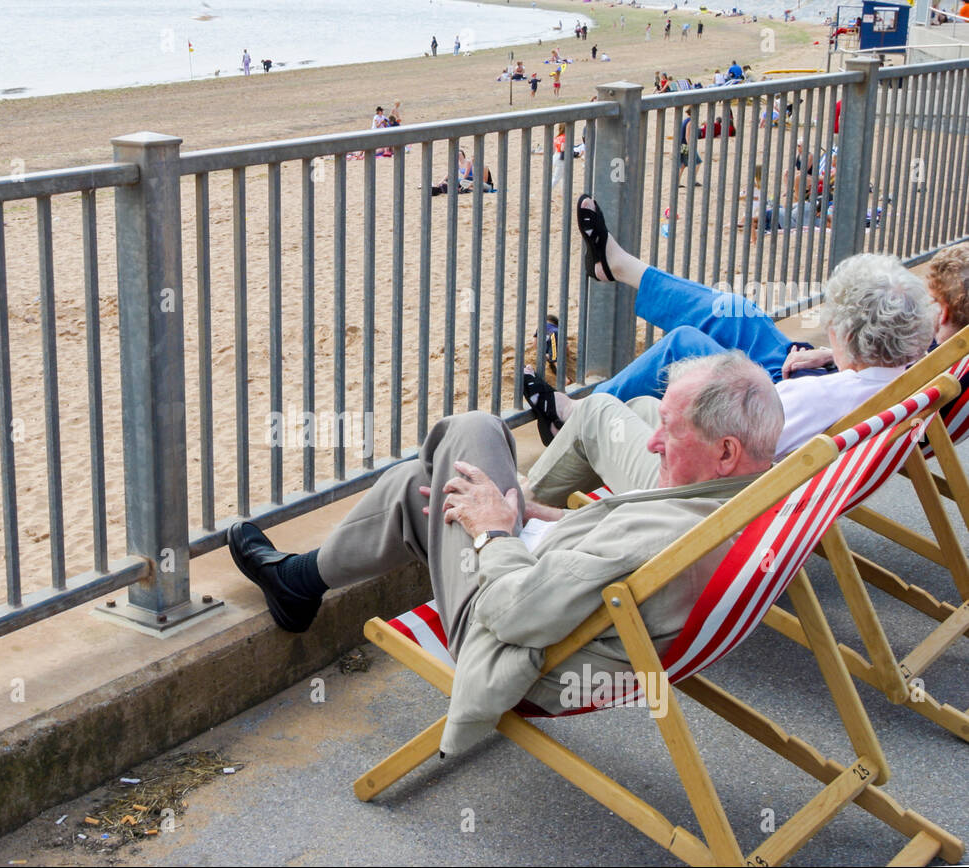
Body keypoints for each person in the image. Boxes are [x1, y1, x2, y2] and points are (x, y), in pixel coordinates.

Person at [228, 352, 782, 754]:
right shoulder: (754, 503)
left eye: (669, 431)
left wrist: (494, 531)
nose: (654, 443)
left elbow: (513, 613)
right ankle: (299, 581)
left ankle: (301, 579)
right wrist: (538, 518)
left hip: (509, 646)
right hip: (558, 602)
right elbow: (607, 556)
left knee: (473, 431)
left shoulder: (663, 531)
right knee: (431, 487)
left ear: (726, 452)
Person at [527, 196, 943, 466]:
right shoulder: (919, 371)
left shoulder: (816, 398)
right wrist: (828, 358)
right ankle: (616, 266)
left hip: (765, 420)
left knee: (687, 345)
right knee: (737, 311)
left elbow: (745, 431)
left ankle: (575, 418)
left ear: (849, 336)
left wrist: (739, 372)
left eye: (832, 324)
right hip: (824, 380)